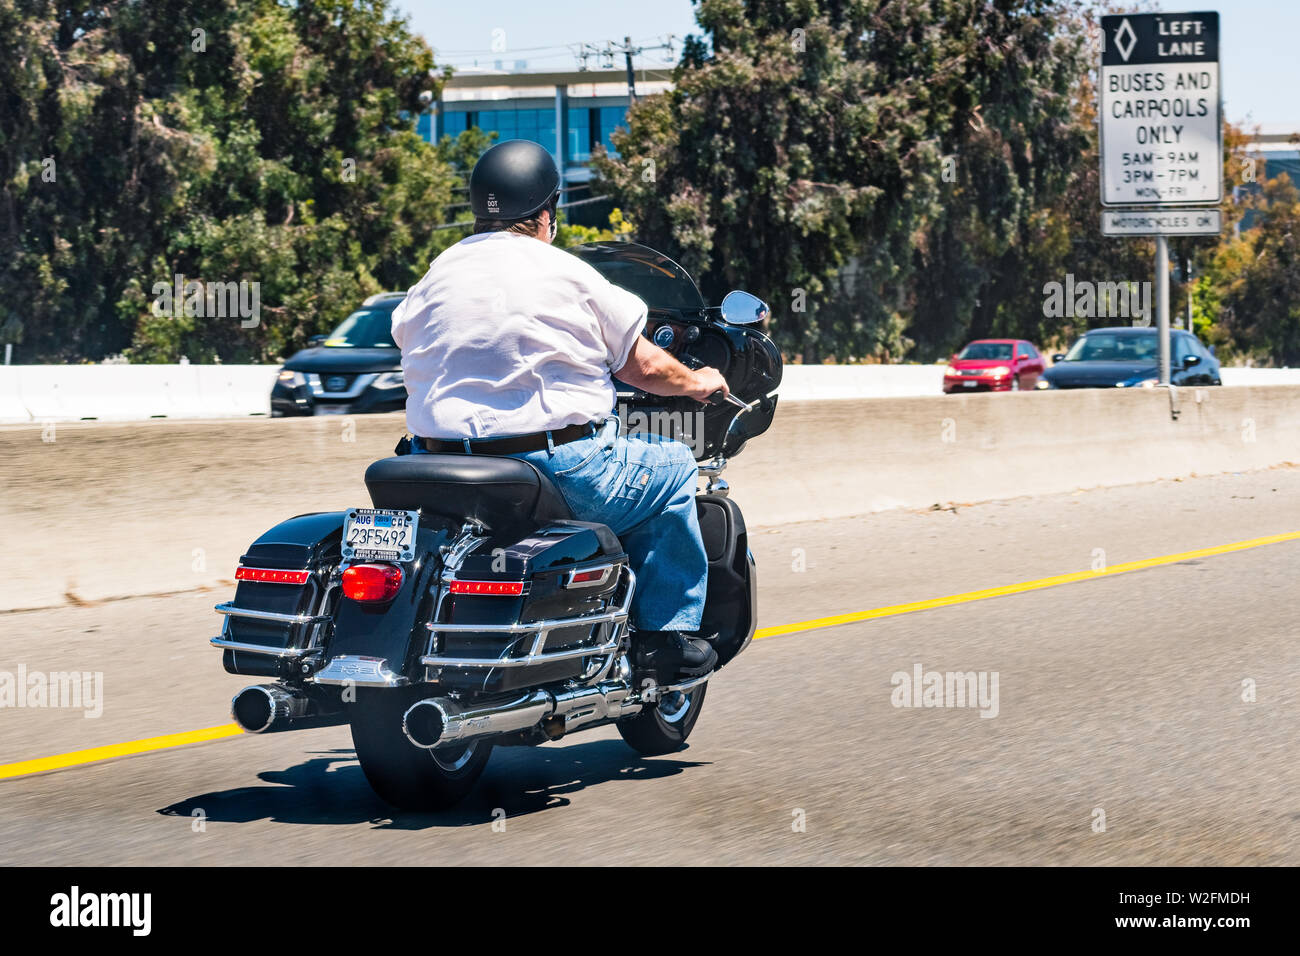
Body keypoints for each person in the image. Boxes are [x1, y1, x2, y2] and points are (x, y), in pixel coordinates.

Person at [390, 139, 729, 681]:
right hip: (548, 470)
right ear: (546, 215)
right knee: (673, 471)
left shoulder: (437, 273)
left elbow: (410, 340)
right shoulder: (565, 271)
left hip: (430, 471)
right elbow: (643, 367)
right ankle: (665, 639)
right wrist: (697, 383)